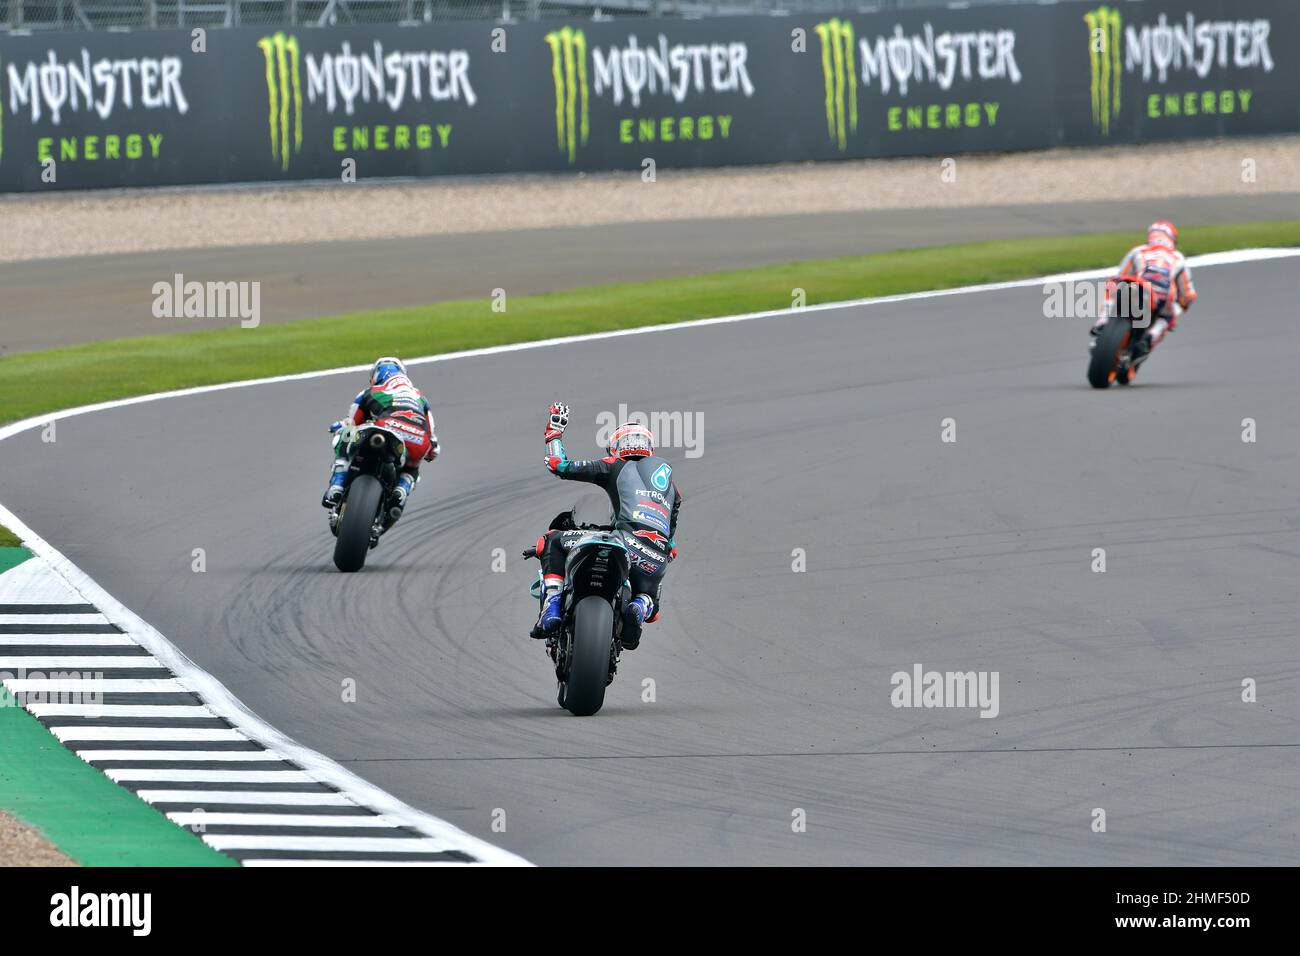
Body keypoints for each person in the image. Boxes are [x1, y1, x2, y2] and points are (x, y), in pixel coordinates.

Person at [530, 402, 681, 650]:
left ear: (616, 448)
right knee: (650, 599)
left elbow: (558, 464)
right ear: (649, 449)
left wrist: (554, 432)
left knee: (551, 540)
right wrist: (667, 549)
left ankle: (553, 606)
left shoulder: (614, 465)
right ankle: (640, 605)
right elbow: (671, 539)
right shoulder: (671, 487)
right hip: (655, 556)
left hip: (624, 540)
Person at [321, 357, 439, 526]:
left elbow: (351, 423)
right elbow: (433, 441)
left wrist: (339, 426)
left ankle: (337, 486)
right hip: (417, 440)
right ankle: (401, 489)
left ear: (376, 376)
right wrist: (431, 450)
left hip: (385, 429)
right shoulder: (421, 398)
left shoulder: (372, 391)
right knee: (414, 466)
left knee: (344, 436)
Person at [1091, 220, 1197, 367]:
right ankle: (1149, 339)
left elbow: (1122, 274)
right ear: (1172, 239)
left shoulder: (1138, 251)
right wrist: (1183, 305)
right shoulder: (1178, 258)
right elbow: (1188, 293)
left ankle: (1102, 321)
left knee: (1112, 285)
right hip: (1161, 296)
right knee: (1168, 318)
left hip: (1137, 287)